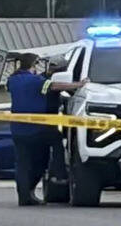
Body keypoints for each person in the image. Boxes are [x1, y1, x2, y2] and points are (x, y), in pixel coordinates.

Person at [7, 53, 85, 206]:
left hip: (18, 129)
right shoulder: (36, 81)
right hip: (37, 128)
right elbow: (54, 86)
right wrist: (79, 84)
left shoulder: (12, 80)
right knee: (55, 140)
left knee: (22, 164)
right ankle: (60, 172)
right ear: (33, 64)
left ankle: (24, 197)